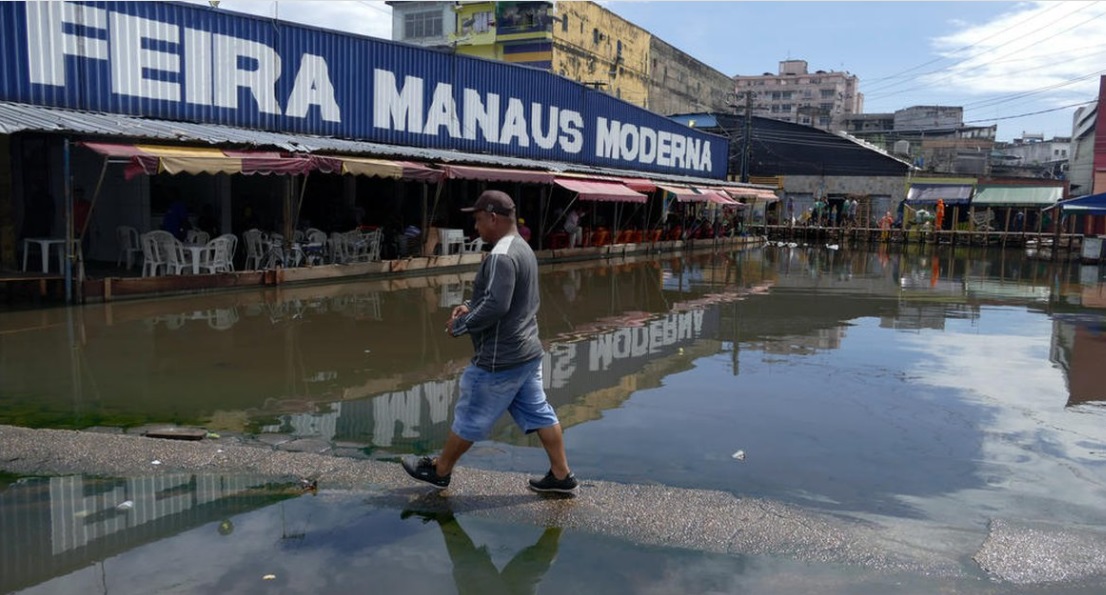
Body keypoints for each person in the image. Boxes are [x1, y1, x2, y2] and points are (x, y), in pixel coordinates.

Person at [402, 190, 577, 494]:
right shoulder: (522, 248)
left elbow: (497, 305)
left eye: (479, 220)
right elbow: (500, 296)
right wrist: (470, 305)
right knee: (540, 413)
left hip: (500, 358)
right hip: (526, 352)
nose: (476, 228)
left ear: (493, 218)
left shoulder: (501, 255)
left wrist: (462, 325)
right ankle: (561, 475)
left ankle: (440, 470)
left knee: (471, 414)